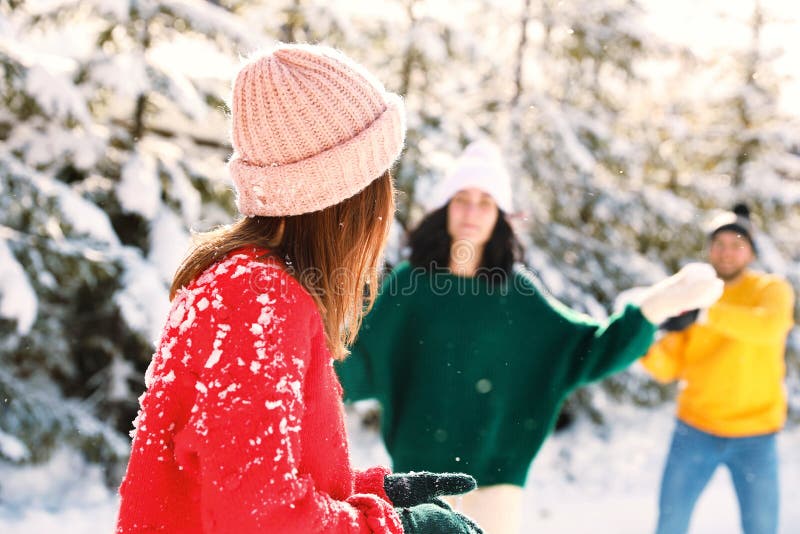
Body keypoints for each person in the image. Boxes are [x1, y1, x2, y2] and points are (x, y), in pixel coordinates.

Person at [116, 44, 484, 534]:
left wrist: (374, 493)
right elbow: (260, 516)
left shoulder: (242, 284)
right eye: (380, 178)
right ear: (341, 197)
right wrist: (397, 530)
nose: (388, 201)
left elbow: (242, 478)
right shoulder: (259, 299)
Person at [335, 140, 725, 534]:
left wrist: (654, 307)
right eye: (462, 199)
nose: (472, 212)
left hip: (498, 480)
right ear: (445, 209)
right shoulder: (411, 286)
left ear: (499, 216)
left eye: (485, 201)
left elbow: (586, 350)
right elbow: (358, 363)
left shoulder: (516, 293)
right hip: (421, 479)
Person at [640, 204, 795, 534]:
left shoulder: (770, 290)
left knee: (762, 528)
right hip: (695, 431)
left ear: (751, 253)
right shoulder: (690, 299)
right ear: (710, 250)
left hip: (756, 437)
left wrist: (705, 310)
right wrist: (645, 337)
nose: (727, 253)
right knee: (670, 524)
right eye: (719, 244)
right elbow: (669, 367)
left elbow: (767, 328)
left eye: (737, 245)